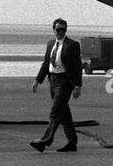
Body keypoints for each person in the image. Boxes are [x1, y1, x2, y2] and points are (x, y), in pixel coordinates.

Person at [29, 18, 82, 152]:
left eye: (63, 30)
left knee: (55, 112)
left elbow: (77, 66)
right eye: (58, 29)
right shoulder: (50, 44)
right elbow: (46, 64)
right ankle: (72, 142)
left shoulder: (72, 45)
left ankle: (45, 141)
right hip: (52, 80)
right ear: (53, 30)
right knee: (64, 114)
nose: (60, 32)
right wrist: (37, 80)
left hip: (65, 81)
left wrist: (77, 86)